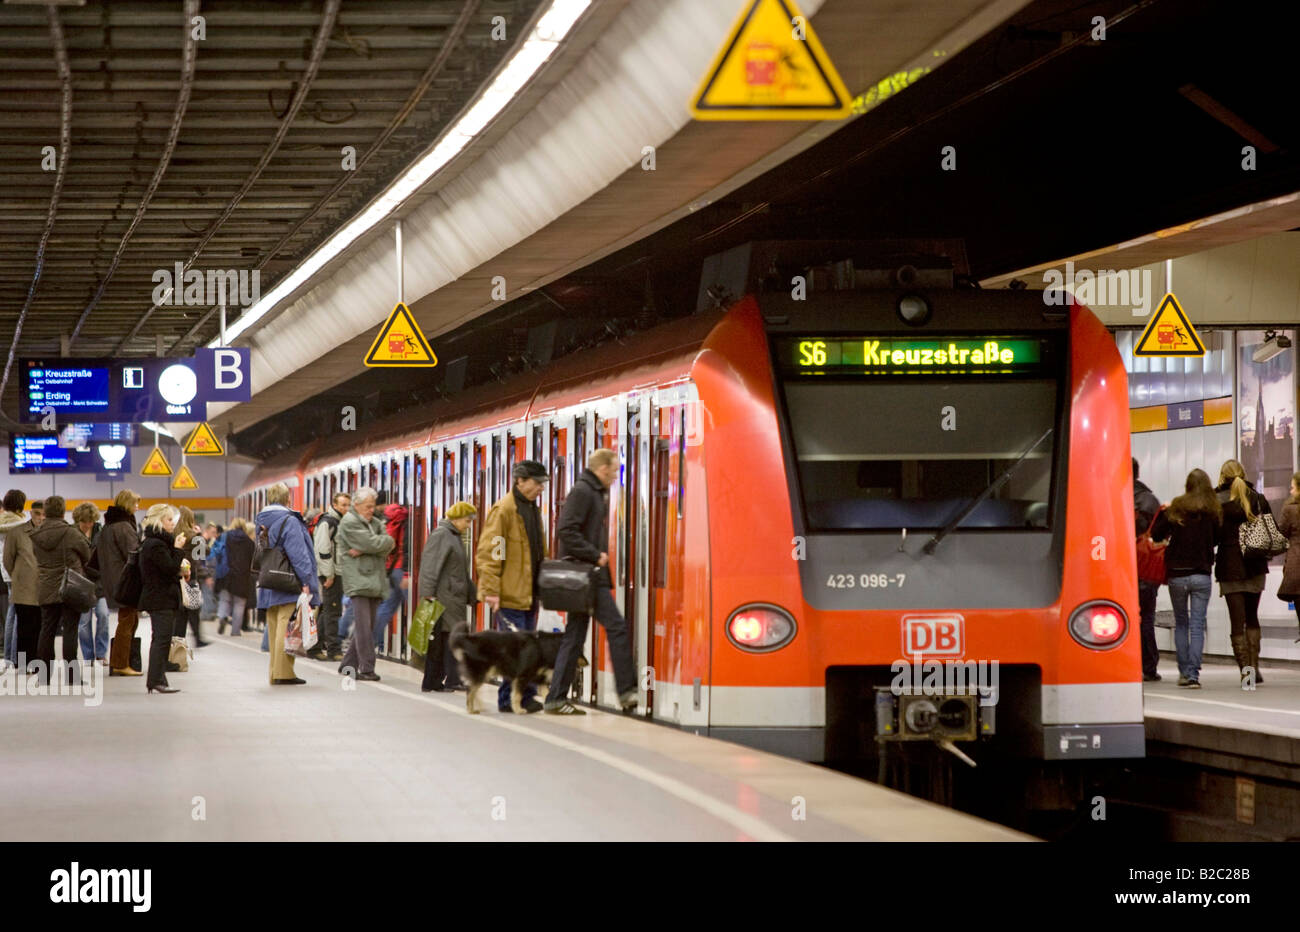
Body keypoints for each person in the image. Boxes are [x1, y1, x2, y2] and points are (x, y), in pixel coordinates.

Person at [544, 449, 638, 715]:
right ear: (603, 469)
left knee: (574, 636)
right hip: (585, 576)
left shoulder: (594, 491)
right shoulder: (584, 491)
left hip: (587, 576)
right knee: (617, 626)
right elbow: (566, 529)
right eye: (614, 469)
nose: (615, 475)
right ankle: (626, 690)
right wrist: (595, 554)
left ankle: (555, 698)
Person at [476, 460, 549, 712]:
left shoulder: (531, 509)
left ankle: (524, 696)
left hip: (529, 592)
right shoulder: (505, 510)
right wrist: (492, 590)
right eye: (537, 483)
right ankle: (508, 699)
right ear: (520, 480)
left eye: (543, 484)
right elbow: (491, 552)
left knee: (527, 649)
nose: (541, 488)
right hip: (510, 592)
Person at [1150, 469, 1220, 690]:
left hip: (1177, 575)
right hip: (1201, 574)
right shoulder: (1212, 510)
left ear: (1187, 485)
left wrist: (1167, 513)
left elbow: (1156, 534)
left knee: (1182, 623)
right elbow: (1216, 539)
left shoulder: (1176, 508)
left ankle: (1183, 672)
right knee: (1197, 625)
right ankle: (1193, 675)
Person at [255, 483, 320, 685]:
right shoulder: (289, 521)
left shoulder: (262, 520)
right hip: (289, 581)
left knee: (275, 625)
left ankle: (275, 672)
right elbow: (298, 554)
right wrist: (306, 581)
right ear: (287, 499)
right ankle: (284, 673)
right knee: (288, 625)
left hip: (269, 580)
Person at [1215, 459, 1273, 687]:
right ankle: (1255, 668)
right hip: (1255, 565)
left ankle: (1247, 674)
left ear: (1222, 476)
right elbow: (1271, 531)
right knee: (1252, 618)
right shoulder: (1258, 499)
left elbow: (1211, 536)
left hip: (1229, 567)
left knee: (1236, 622)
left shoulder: (1216, 501)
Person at [30, 496, 92, 686]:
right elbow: (86, 554)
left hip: (47, 586)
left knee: (47, 630)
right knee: (70, 631)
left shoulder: (36, 534)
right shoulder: (71, 533)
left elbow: (36, 557)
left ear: (46, 512)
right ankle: (72, 676)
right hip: (70, 586)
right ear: (64, 511)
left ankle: (43, 676)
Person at [418, 501, 476, 692]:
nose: (468, 525)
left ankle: (444, 680)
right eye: (467, 521)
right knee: (446, 638)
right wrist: (427, 593)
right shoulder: (442, 534)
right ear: (456, 518)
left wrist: (472, 593)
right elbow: (430, 565)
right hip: (444, 596)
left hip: (453, 595)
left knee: (447, 638)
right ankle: (446, 679)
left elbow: (459, 571)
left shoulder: (454, 535)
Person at [336, 487, 393, 681]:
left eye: (373, 506)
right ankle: (366, 668)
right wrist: (373, 545)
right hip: (358, 580)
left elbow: (388, 543)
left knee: (367, 626)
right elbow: (375, 544)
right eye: (368, 507)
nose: (372, 510)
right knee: (363, 627)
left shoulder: (375, 522)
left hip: (374, 580)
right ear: (357, 505)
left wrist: (369, 547)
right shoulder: (349, 522)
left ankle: (347, 665)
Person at [138, 504, 189, 694]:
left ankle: (159, 679)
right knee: (161, 639)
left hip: (159, 597)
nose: (172, 524)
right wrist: (177, 549)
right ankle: (155, 680)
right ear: (159, 521)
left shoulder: (153, 542)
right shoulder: (156, 545)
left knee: (160, 639)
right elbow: (168, 569)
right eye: (169, 520)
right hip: (160, 598)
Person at [101, 489, 142, 676]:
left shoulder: (108, 525)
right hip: (125, 580)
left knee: (128, 619)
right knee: (127, 621)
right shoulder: (124, 526)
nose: (137, 507)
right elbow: (134, 553)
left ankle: (121, 661)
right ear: (127, 504)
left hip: (112, 577)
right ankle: (120, 663)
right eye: (134, 504)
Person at [310, 491, 350, 661]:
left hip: (336, 572)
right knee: (332, 612)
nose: (346, 508)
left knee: (328, 610)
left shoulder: (338, 522)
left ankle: (316, 646)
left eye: (348, 505)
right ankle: (333, 650)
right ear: (334, 504)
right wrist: (329, 575)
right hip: (331, 573)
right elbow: (322, 550)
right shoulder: (328, 523)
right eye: (343, 505)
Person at [1132, 459, 1163, 682]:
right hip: (1146, 568)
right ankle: (1149, 667)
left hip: (1118, 571)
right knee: (1147, 618)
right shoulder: (1149, 500)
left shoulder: (1111, 497)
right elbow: (1160, 535)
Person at [0, 491, 37, 672]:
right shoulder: (21, 525)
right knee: (19, 616)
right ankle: (15, 657)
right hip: (19, 573)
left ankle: (9, 656)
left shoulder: (2, 522)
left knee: (11, 615)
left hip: (5, 573)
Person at [72, 502, 111, 667]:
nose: (88, 524)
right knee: (84, 622)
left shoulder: (100, 532)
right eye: (85, 521)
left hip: (98, 582)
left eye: (91, 521)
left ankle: (101, 654)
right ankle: (88, 655)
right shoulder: (72, 533)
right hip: (80, 583)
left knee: (103, 615)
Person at [372, 493, 410, 658]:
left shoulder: (389, 519)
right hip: (402, 570)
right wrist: (408, 572)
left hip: (390, 567)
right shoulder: (407, 520)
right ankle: (416, 648)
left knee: (386, 607)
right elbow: (407, 547)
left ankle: (371, 642)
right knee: (416, 608)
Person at [216, 518, 255, 637]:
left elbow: (218, 553)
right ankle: (235, 631)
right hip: (242, 576)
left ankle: (222, 616)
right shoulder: (249, 542)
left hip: (227, 573)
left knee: (225, 599)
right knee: (239, 604)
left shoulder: (225, 537)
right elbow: (252, 561)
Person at [1278, 472, 1300, 638]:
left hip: (1297, 571)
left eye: (1293, 487)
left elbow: (1281, 538)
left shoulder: (1290, 510)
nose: (1291, 492)